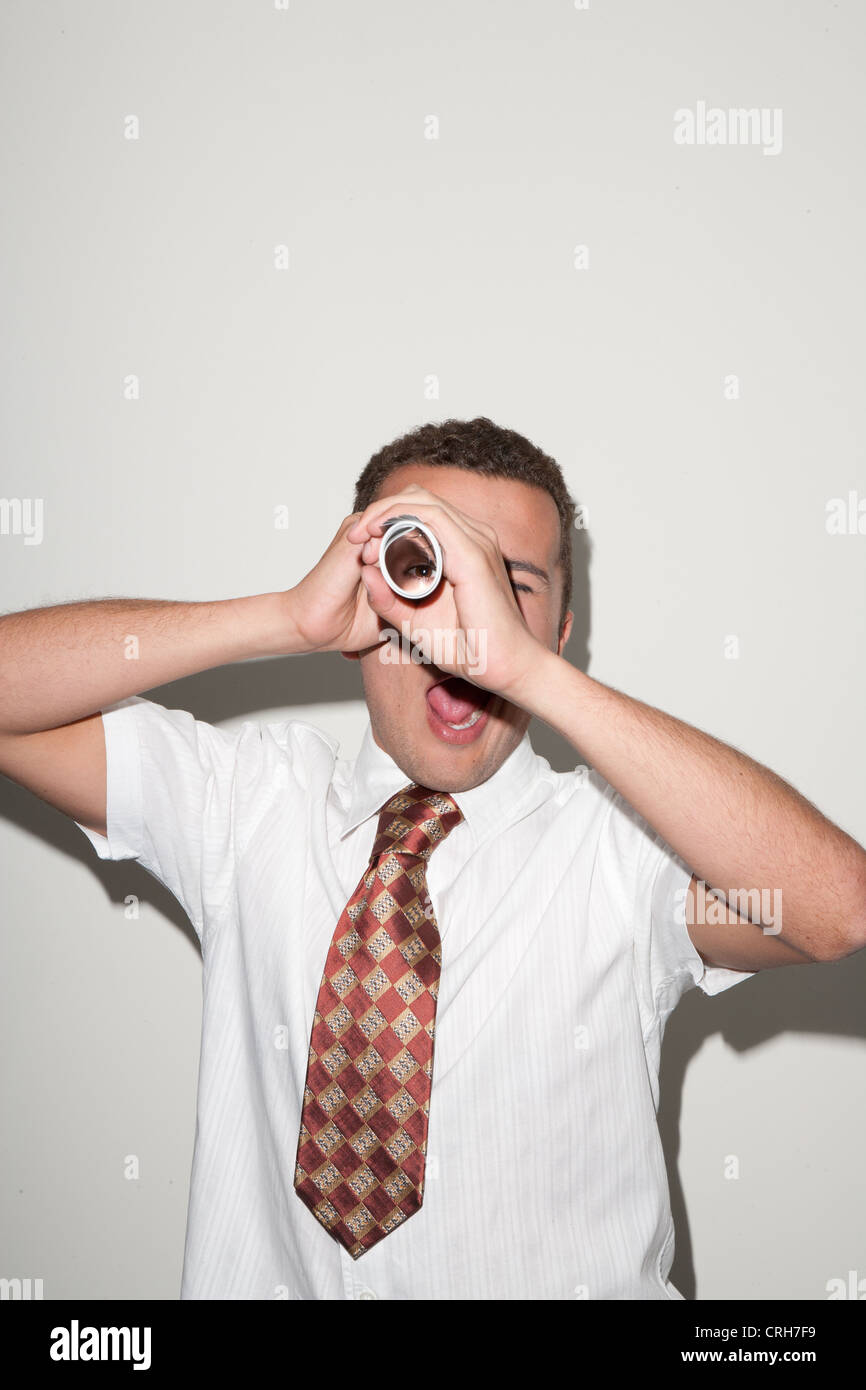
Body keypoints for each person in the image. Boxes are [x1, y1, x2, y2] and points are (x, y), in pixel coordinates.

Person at [1, 416, 864, 1300]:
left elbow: (837, 911)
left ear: (559, 633)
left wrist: (526, 672)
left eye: (511, 586)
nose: (465, 615)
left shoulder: (622, 851)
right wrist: (285, 618)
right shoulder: (248, 804)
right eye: (427, 571)